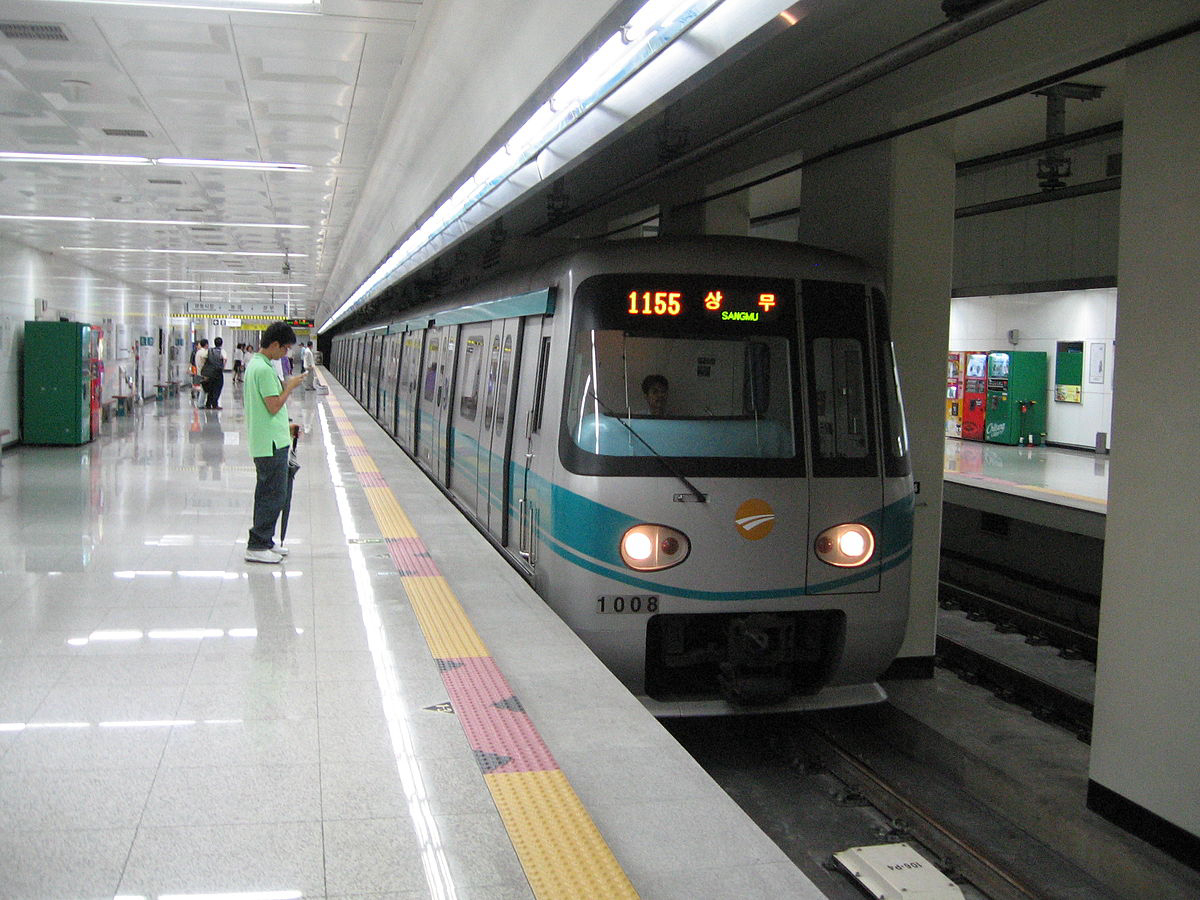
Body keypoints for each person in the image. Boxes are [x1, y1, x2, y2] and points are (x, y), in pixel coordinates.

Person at [244, 322, 305, 564]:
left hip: (268, 438)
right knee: (272, 494)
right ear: (275, 344)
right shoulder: (264, 370)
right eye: (286, 348)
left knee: (269, 492)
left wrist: (286, 427)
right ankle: (257, 544)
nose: (286, 354)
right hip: (270, 444)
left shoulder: (256, 365)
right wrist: (289, 386)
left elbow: (264, 409)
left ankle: (265, 541)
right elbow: (273, 405)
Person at [202, 336, 225, 409]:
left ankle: (208, 404)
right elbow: (225, 359)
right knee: (217, 388)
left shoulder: (209, 350)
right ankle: (215, 404)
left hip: (210, 372)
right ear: (221, 344)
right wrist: (222, 367)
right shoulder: (222, 351)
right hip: (218, 372)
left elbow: (204, 358)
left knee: (211, 388)